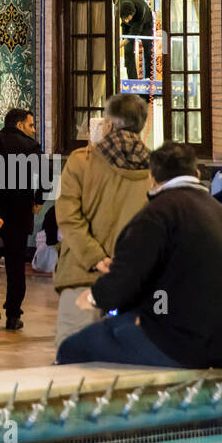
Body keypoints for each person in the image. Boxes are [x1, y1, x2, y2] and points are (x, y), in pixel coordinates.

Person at [57, 142, 222, 368]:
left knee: (74, 347)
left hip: (187, 346)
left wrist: (94, 297)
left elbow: (127, 277)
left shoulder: (157, 214)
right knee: (122, 324)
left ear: (152, 178)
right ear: (197, 173)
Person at [53, 93, 152, 348]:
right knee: (122, 367)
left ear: (108, 124)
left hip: (81, 276)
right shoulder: (154, 170)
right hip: (130, 280)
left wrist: (96, 258)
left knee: (73, 357)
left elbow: (67, 216)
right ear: (141, 126)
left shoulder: (82, 161)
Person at [0, 107, 45, 330]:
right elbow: (44, 175)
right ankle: (13, 315)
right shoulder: (31, 147)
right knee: (15, 266)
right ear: (20, 124)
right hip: (20, 212)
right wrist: (39, 200)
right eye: (31, 125)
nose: (33, 130)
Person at [117, 0, 154, 82]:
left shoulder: (141, 9)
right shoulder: (118, 5)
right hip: (127, 27)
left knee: (148, 49)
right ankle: (132, 79)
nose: (126, 20)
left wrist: (120, 44)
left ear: (133, 13)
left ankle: (149, 78)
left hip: (145, 24)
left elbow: (135, 31)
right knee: (128, 51)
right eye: (125, 18)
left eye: (128, 18)